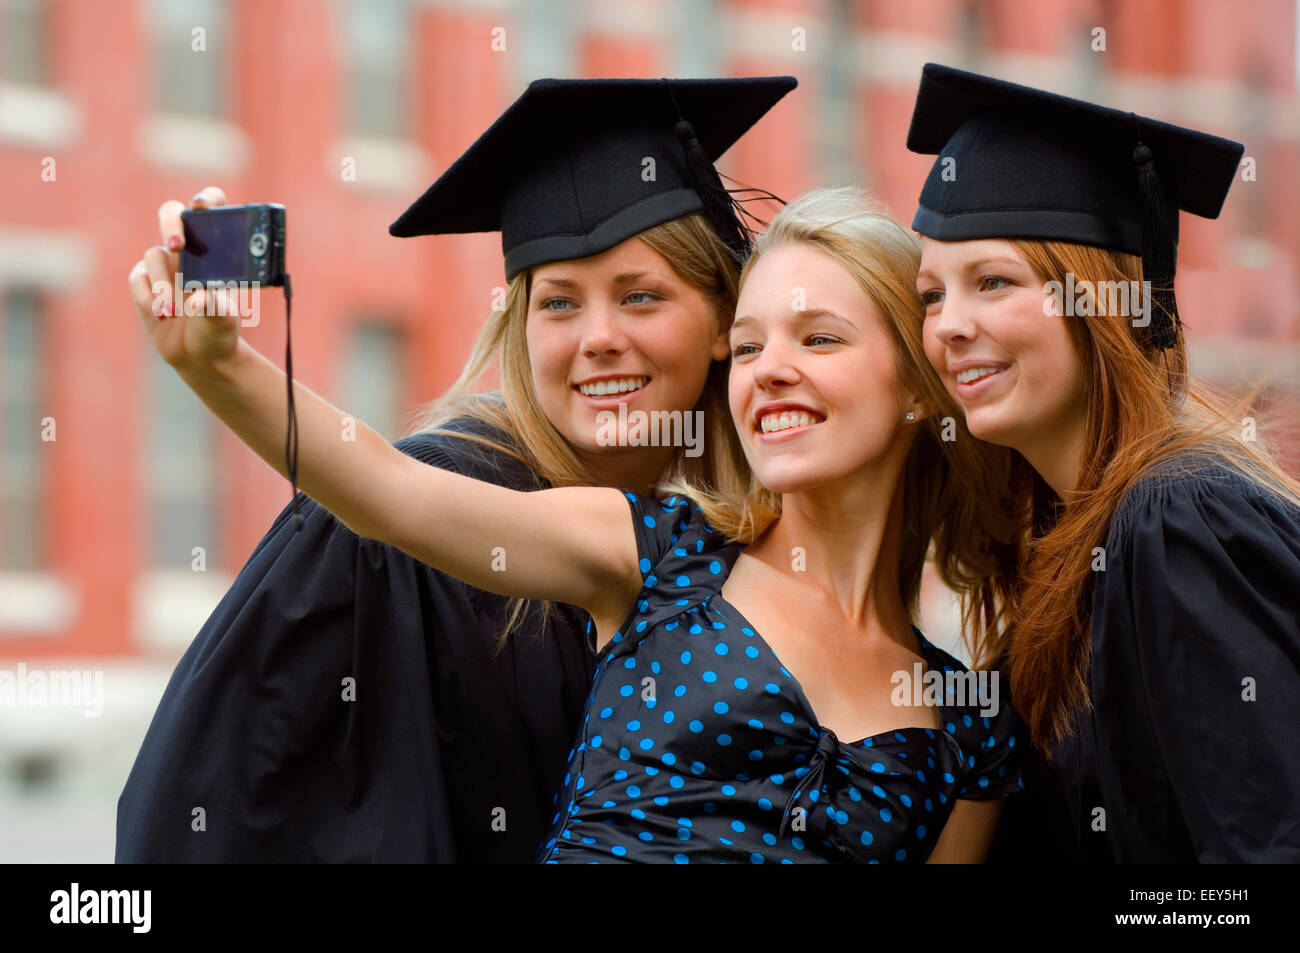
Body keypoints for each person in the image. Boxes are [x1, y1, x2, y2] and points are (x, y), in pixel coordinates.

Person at [132, 181, 1024, 863]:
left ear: (917, 385)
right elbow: (387, 490)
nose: (770, 370)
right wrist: (219, 366)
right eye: (749, 346)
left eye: (819, 340)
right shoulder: (659, 555)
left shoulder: (969, 720)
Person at [116, 75, 795, 862]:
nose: (597, 337)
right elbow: (209, 805)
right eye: (560, 302)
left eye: (640, 296)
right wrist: (219, 364)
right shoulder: (411, 523)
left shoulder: (732, 534)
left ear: (724, 319)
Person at [906, 63, 1300, 862]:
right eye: (931, 295)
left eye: (992, 281)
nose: (949, 325)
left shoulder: (1180, 518)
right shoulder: (1070, 547)